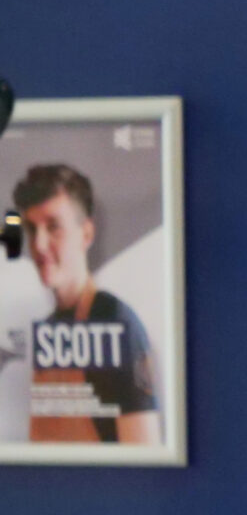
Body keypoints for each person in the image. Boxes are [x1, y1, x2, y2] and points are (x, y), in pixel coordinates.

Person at [12, 162, 162, 444]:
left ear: (87, 234)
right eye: (32, 229)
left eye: (53, 227)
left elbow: (144, 460)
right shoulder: (48, 330)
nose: (39, 245)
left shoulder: (116, 323)